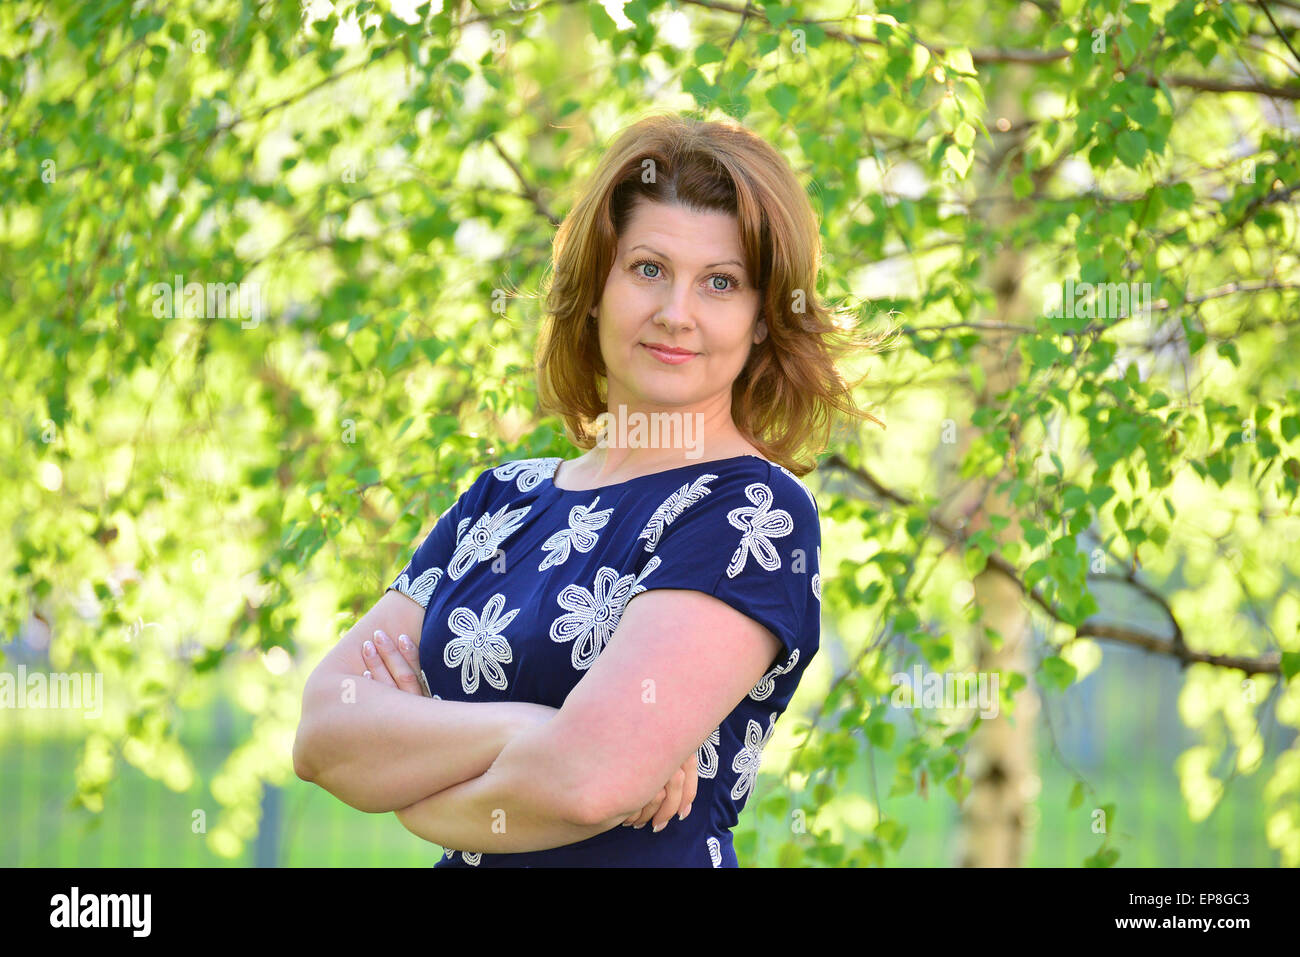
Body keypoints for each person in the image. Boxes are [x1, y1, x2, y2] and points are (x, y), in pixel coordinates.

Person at [294, 111, 887, 866]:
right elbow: (324, 730)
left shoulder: (749, 514)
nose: (677, 313)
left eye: (720, 282)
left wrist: (414, 778)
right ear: (597, 287)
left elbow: (587, 783)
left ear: (764, 319)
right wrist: (538, 732)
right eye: (648, 269)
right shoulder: (499, 501)